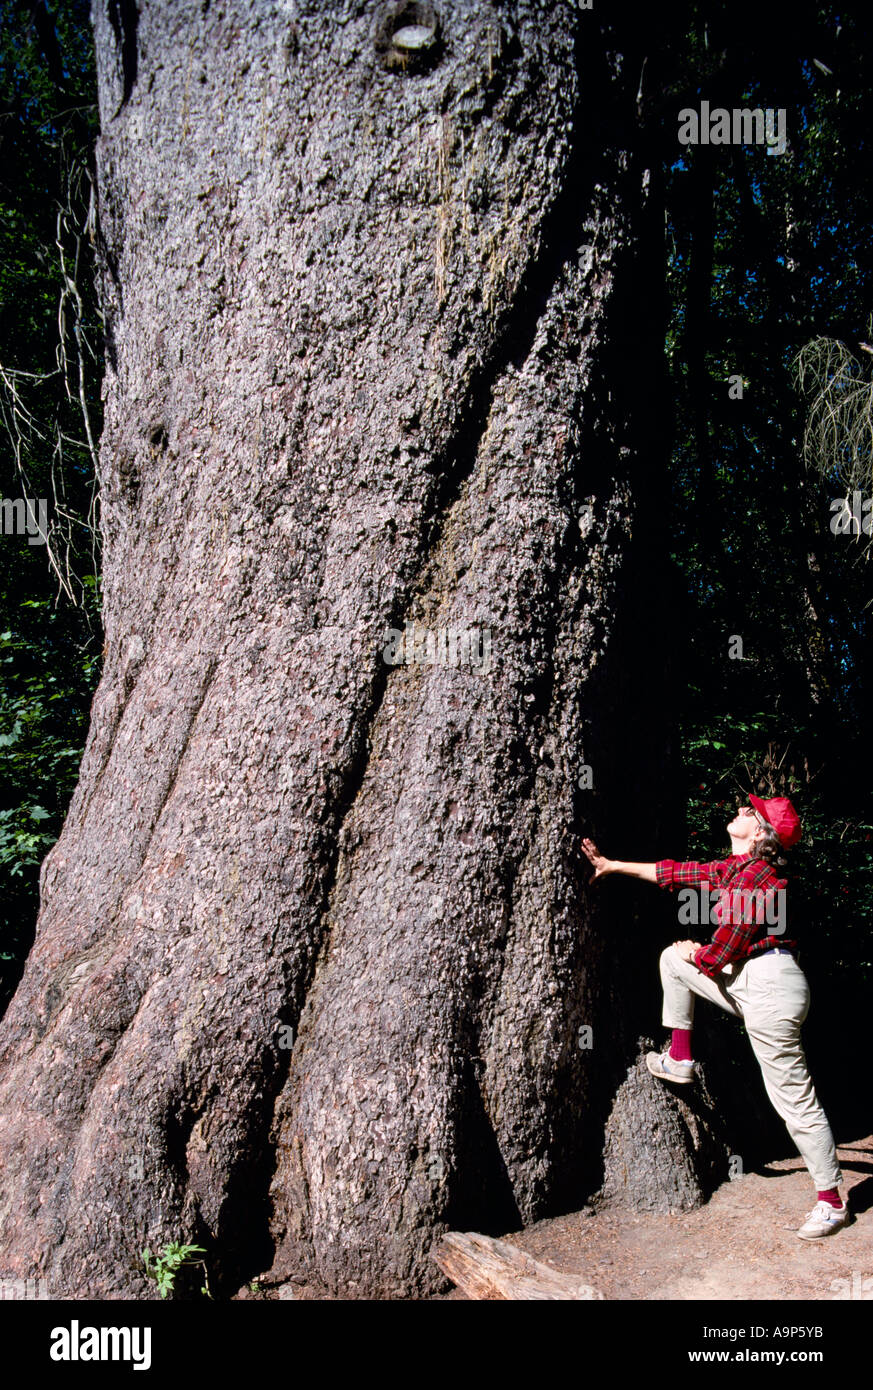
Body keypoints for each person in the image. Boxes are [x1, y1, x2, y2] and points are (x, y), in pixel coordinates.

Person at [580, 795, 848, 1239]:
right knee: (672, 960)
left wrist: (701, 953)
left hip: (769, 986)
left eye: (750, 813)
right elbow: (675, 872)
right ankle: (680, 1059)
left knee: (794, 1101)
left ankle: (831, 1202)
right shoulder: (732, 869)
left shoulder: (763, 874)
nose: (742, 810)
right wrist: (611, 865)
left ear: (760, 833)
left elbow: (731, 940)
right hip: (750, 982)